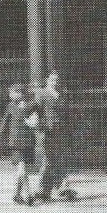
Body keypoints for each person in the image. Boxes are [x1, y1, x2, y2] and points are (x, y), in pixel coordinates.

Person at [31, 70, 76, 203]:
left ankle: (60, 188)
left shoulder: (61, 95)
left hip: (61, 131)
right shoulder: (42, 94)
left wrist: (69, 129)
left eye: (56, 80)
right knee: (49, 159)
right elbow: (37, 111)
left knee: (61, 159)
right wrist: (39, 127)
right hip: (48, 132)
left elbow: (67, 113)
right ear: (47, 80)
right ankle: (43, 189)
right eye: (52, 80)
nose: (54, 82)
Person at [0, 82, 38, 205]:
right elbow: (5, 122)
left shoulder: (31, 105)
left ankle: (16, 195)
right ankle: (29, 195)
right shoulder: (11, 106)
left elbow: (35, 120)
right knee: (22, 168)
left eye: (12, 93)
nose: (10, 95)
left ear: (20, 93)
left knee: (22, 170)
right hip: (16, 142)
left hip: (28, 141)